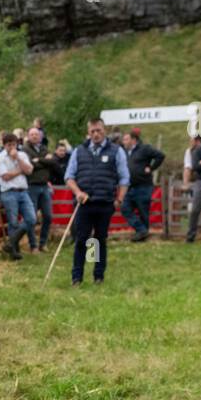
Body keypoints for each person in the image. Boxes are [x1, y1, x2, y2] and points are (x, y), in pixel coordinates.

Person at [65, 119, 129, 286]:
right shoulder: (79, 151)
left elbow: (124, 177)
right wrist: (78, 192)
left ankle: (98, 275)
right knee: (82, 239)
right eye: (92, 131)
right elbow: (69, 177)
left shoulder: (117, 151)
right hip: (84, 203)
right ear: (88, 132)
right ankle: (77, 277)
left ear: (104, 131)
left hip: (105, 202)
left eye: (99, 130)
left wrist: (119, 198)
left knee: (99, 239)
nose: (95, 134)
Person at [0, 133, 34, 260]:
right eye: (9, 145)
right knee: (13, 222)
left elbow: (29, 170)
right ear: (4, 145)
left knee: (31, 219)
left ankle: (10, 243)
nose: (11, 147)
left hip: (23, 191)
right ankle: (14, 252)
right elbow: (5, 176)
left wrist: (18, 159)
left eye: (13, 144)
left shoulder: (21, 155)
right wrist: (20, 170)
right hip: (8, 192)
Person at [120, 128, 165, 242]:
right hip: (129, 187)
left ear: (133, 140)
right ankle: (142, 230)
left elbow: (160, 155)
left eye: (126, 139)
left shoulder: (145, 149)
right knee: (125, 208)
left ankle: (142, 235)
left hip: (143, 186)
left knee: (143, 211)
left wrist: (151, 168)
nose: (123, 142)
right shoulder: (124, 152)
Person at [22, 128, 54, 250]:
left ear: (40, 136)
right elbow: (30, 165)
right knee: (32, 217)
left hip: (45, 186)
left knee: (48, 215)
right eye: (32, 134)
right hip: (32, 186)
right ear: (28, 136)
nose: (35, 136)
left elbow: (52, 162)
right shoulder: (25, 149)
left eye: (37, 134)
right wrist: (45, 161)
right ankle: (33, 245)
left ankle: (43, 242)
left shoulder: (44, 148)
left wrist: (39, 161)